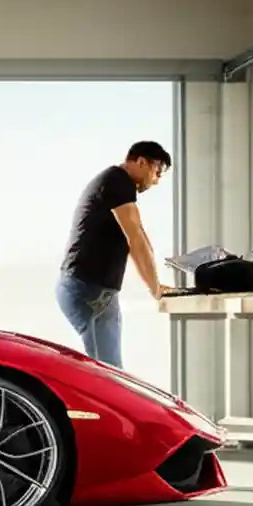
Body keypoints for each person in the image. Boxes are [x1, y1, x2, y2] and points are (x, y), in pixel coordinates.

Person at [55, 141, 173, 368]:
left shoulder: (118, 185)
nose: (156, 181)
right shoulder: (117, 181)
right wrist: (154, 289)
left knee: (112, 373)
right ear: (141, 162)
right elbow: (135, 240)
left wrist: (156, 283)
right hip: (86, 290)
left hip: (98, 293)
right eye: (156, 172)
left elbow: (140, 235)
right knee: (106, 375)